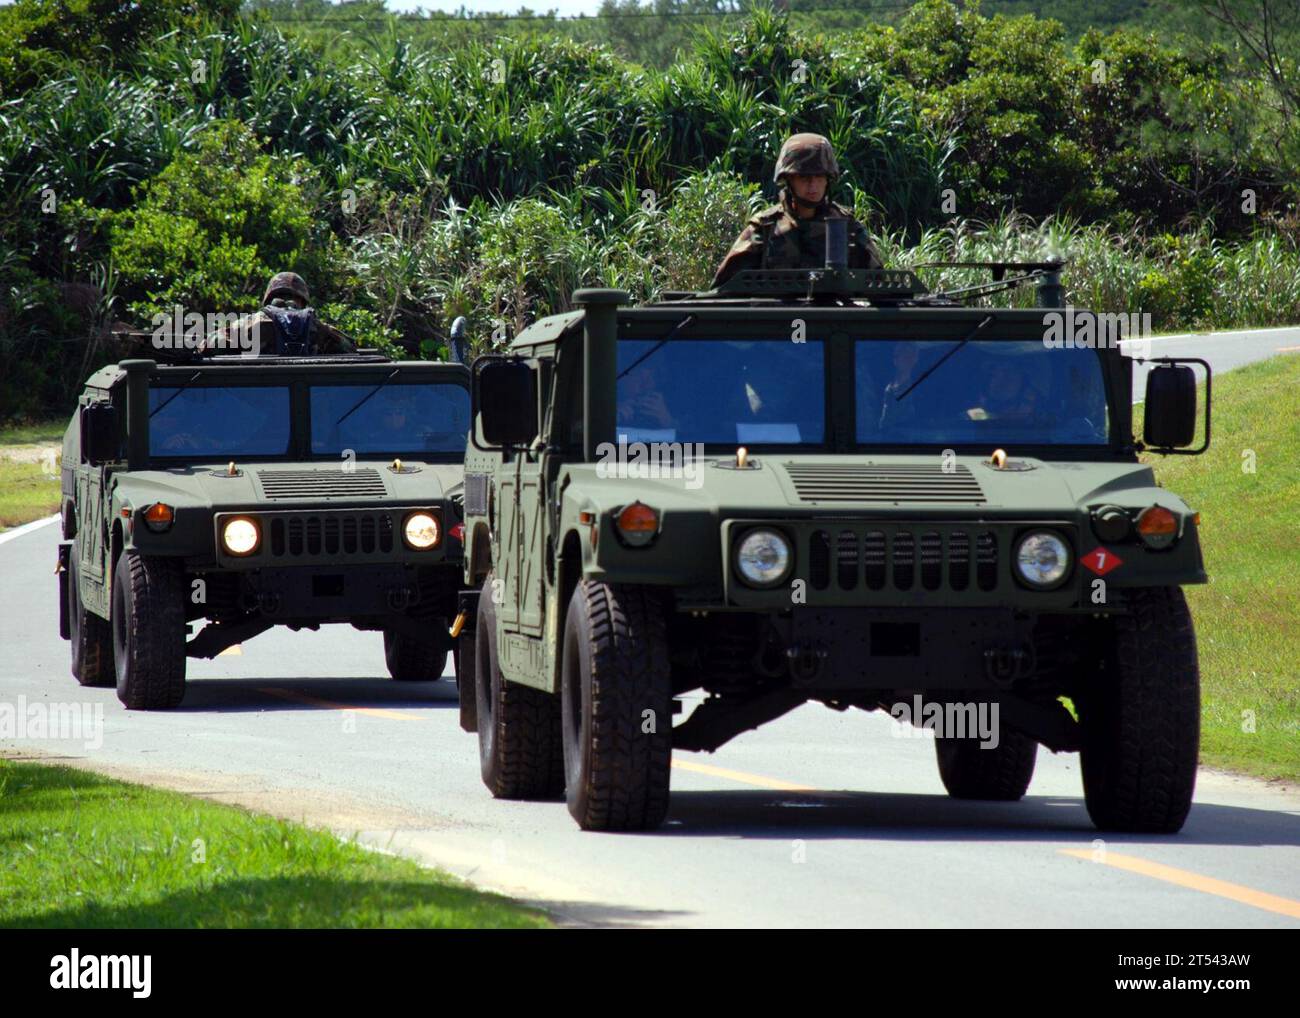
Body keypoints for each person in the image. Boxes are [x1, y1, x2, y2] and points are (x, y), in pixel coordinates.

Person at [711, 133, 884, 288]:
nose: (813, 185)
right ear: (788, 180)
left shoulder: (847, 227)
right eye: (804, 178)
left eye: (819, 177)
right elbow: (722, 291)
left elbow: (881, 287)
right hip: (777, 321)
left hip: (835, 320)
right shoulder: (764, 228)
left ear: (828, 179)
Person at [202, 272, 354, 356]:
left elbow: (210, 344)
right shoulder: (316, 327)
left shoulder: (250, 323)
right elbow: (350, 347)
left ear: (269, 297)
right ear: (303, 300)